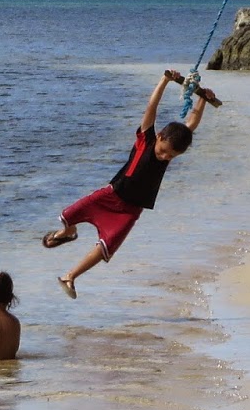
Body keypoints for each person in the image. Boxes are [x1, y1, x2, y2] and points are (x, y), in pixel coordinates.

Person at [43, 69, 211, 299]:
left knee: (106, 247)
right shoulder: (146, 139)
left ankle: (70, 277)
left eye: (170, 157)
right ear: (160, 136)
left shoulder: (171, 148)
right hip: (112, 194)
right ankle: (68, 232)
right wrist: (164, 80)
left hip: (131, 210)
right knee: (69, 214)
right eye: (163, 152)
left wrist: (202, 100)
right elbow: (151, 107)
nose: (164, 157)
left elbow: (190, 125)